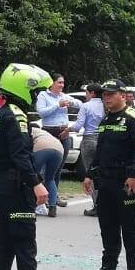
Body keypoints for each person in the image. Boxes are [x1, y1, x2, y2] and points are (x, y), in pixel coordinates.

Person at [0, 64, 53, 270]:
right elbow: (21, 154)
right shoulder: (17, 116)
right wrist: (36, 182)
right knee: (24, 244)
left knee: (2, 244)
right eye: (34, 93)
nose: (36, 98)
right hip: (17, 187)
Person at [86, 80, 135, 270]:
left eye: (111, 94)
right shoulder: (106, 120)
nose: (107, 98)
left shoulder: (134, 118)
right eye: (104, 95)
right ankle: (109, 266)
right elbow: (100, 151)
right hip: (106, 180)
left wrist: (134, 174)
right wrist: (89, 174)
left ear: (123, 95)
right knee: (108, 225)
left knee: (129, 227)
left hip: (126, 181)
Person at [35, 74, 77, 202]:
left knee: (58, 167)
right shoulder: (43, 95)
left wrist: (72, 102)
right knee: (42, 169)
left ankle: (54, 197)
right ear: (51, 83)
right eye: (59, 82)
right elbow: (41, 112)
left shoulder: (63, 96)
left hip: (63, 132)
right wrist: (57, 105)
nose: (62, 85)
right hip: (49, 132)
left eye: (63, 83)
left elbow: (80, 104)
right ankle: (41, 198)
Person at [76, 86, 107, 217]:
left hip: (89, 138)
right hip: (103, 139)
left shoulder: (86, 106)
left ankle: (97, 205)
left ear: (92, 93)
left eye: (86, 92)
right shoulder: (106, 105)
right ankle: (106, 204)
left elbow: (78, 125)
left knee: (91, 172)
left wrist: (67, 129)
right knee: (104, 172)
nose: (85, 95)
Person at [30, 119, 65, 218]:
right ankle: (52, 207)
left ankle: (31, 206)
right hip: (59, 149)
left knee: (33, 177)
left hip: (41, 147)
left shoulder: (29, 130)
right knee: (50, 178)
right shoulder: (44, 132)